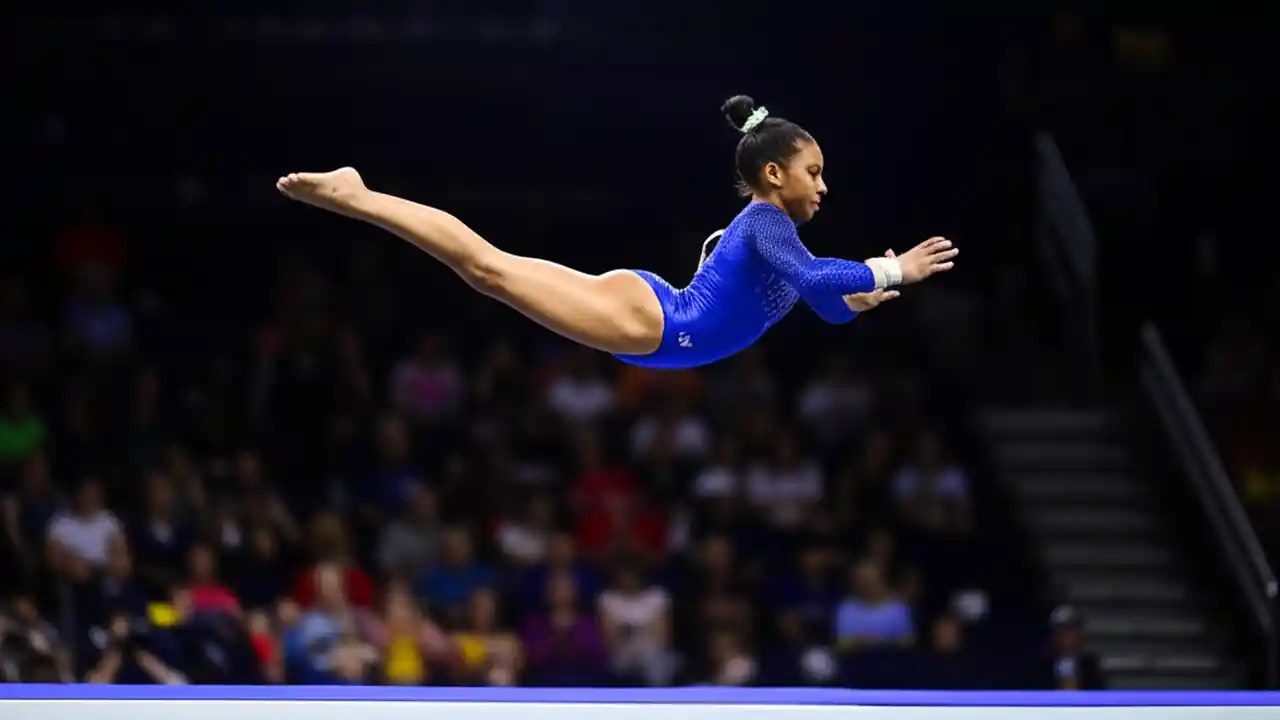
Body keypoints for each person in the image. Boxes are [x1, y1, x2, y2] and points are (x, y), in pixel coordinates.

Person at [277, 95, 958, 370]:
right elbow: (815, 279)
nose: (823, 185)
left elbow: (820, 301)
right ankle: (358, 195)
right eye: (814, 172)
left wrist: (858, 300)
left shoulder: (777, 237)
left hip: (657, 316)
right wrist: (894, 271)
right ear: (774, 174)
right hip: (655, 321)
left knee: (492, 269)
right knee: (488, 270)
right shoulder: (766, 223)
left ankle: (360, 194)